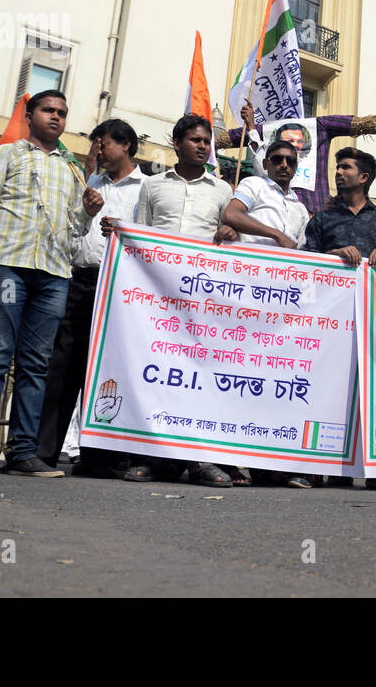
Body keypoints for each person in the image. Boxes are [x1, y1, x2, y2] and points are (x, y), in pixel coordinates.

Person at [0, 90, 101, 477]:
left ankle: (23, 453)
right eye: (48, 110)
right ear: (30, 115)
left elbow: (74, 231)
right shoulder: (6, 154)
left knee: (37, 365)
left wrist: (86, 213)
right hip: (6, 267)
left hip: (53, 274)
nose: (56, 118)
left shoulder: (71, 169)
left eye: (62, 113)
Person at [124, 114, 246, 487]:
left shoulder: (223, 190)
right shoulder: (152, 186)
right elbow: (138, 236)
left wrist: (231, 231)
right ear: (176, 143)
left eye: (206, 141)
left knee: (199, 377)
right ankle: (154, 459)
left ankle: (201, 460)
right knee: (158, 374)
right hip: (156, 299)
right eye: (194, 140)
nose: (202, 146)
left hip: (204, 302)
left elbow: (233, 242)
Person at [37, 119, 151, 479]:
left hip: (123, 288)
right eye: (96, 144)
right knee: (65, 366)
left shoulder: (148, 188)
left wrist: (125, 231)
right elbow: (69, 232)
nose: (97, 150)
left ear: (126, 146)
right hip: (81, 282)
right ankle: (43, 453)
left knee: (113, 372)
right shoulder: (85, 184)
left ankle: (101, 455)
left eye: (103, 144)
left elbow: (154, 238)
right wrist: (87, 214)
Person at [304, 147, 376, 490]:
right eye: (337, 166)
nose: (338, 171)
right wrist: (331, 255)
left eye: (345, 167)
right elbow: (305, 261)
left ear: (364, 177)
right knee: (333, 388)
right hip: (332, 320)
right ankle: (331, 465)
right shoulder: (321, 219)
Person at [221, 139, 312, 487]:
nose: (284, 165)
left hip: (281, 303)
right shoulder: (254, 184)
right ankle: (228, 461)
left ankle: (266, 463)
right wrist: (276, 235)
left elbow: (302, 250)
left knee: (270, 379)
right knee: (236, 373)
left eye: (291, 160)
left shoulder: (298, 205)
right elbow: (232, 215)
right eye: (277, 159)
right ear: (267, 162)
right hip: (246, 293)